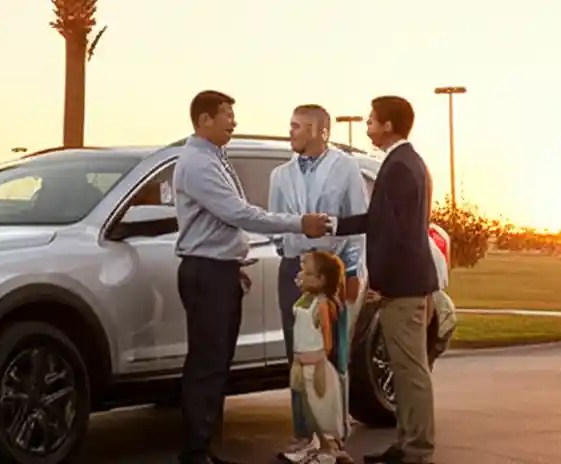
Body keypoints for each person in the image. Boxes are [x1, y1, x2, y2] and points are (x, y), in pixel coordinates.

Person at [173, 90, 329, 464]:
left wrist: (232, 263)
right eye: (226, 114)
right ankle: (196, 451)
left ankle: (208, 447)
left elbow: (222, 223)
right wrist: (299, 224)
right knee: (207, 365)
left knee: (216, 365)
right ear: (204, 119)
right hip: (206, 272)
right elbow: (239, 214)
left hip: (219, 269)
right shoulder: (198, 163)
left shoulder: (214, 158)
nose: (234, 121)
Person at [317, 96, 439, 464]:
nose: (368, 126)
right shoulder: (404, 163)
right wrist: (336, 224)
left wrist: (379, 281)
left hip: (404, 285)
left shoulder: (401, 167)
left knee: (411, 370)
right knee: (404, 370)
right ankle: (406, 443)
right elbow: (378, 220)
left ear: (387, 126)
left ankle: (418, 449)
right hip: (405, 282)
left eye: (371, 121)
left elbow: (397, 233)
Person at [270, 105, 368, 463]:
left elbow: (357, 222)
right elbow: (276, 220)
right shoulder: (280, 175)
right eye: (291, 124)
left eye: (298, 126)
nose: (291, 131)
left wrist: (354, 271)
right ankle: (303, 436)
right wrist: (292, 251)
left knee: (331, 353)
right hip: (294, 268)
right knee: (298, 355)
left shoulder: (345, 168)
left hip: (332, 269)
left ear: (319, 130)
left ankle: (333, 437)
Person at [289, 250, 352, 464]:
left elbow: (327, 337)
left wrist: (320, 361)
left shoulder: (323, 304)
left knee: (322, 408)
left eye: (306, 273)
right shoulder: (305, 300)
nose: (300, 276)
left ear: (321, 279)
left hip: (317, 368)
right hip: (302, 365)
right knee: (308, 409)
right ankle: (313, 446)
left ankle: (331, 450)